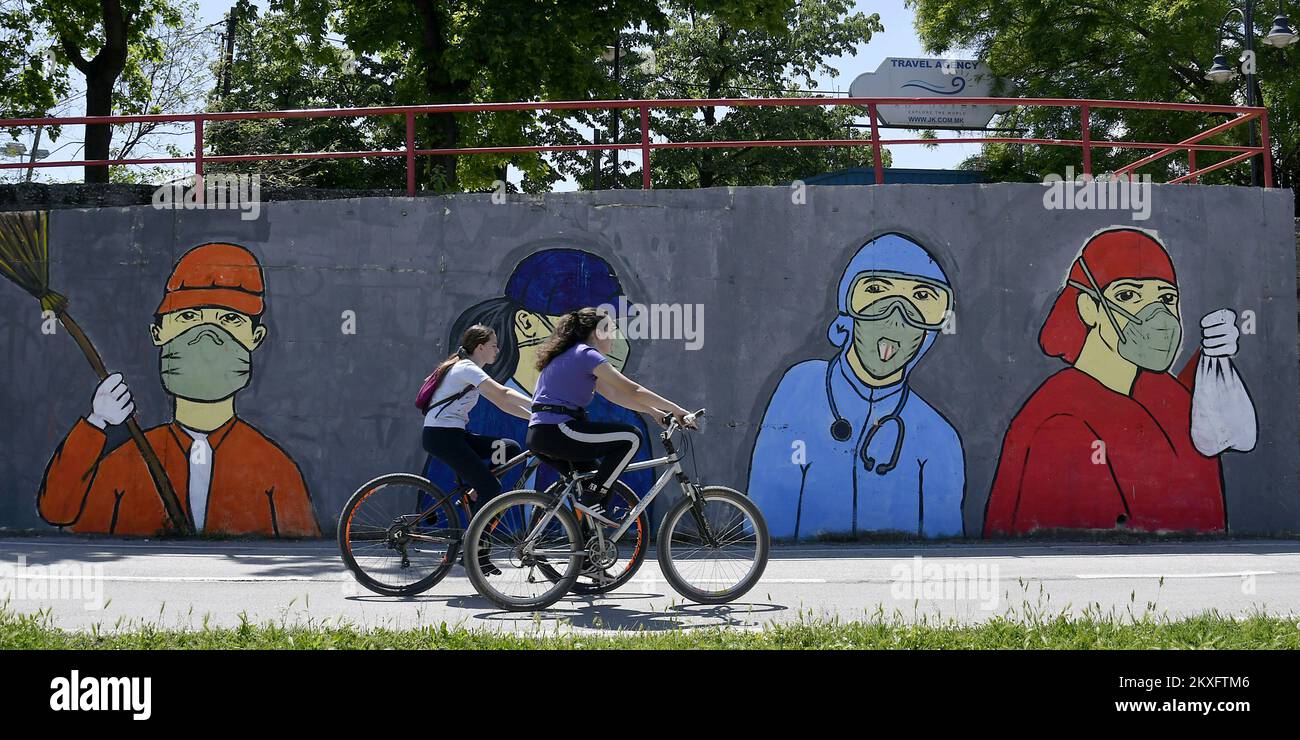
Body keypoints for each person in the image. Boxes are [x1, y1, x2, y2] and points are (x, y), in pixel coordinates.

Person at [984, 227, 1256, 535]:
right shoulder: (1061, 418)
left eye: (1166, 298)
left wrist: (1212, 360)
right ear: (1089, 307)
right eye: (1128, 295)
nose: (1156, 315)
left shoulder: (1162, 392)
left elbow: (1196, 430)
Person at [37, 242, 319, 537]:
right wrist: (97, 423)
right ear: (158, 333)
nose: (207, 337)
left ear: (255, 337)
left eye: (230, 320)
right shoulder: (131, 459)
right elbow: (57, 511)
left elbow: (301, 535)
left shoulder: (273, 468)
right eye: (188, 318)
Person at [748, 232, 966, 540]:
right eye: (876, 290)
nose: (897, 318)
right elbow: (761, 521)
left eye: (922, 298)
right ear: (846, 314)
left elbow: (943, 553)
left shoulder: (939, 437)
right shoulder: (801, 388)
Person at [426, 248, 654, 504]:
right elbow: (502, 396)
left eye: (616, 325)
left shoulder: (616, 414)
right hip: (516, 435)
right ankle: (479, 537)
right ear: (526, 323)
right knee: (490, 484)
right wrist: (538, 412)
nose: (615, 340)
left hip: (551, 434)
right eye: (592, 327)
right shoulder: (484, 410)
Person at [525, 308, 693, 511]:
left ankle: (588, 537)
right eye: (611, 330)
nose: (615, 337)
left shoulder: (572, 354)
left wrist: (654, 412)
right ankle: (591, 498)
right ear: (598, 332)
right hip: (558, 430)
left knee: (598, 477)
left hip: (542, 433)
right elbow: (633, 389)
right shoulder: (587, 355)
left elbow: (616, 395)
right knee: (631, 437)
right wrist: (676, 409)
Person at [420, 325, 534, 574]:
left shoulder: (470, 370)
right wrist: (541, 405)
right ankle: (475, 552)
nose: (497, 349)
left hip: (455, 435)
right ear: (480, 347)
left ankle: (473, 492)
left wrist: (534, 418)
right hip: (443, 437)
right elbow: (504, 392)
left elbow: (503, 403)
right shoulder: (466, 368)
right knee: (492, 489)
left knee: (509, 448)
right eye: (494, 345)